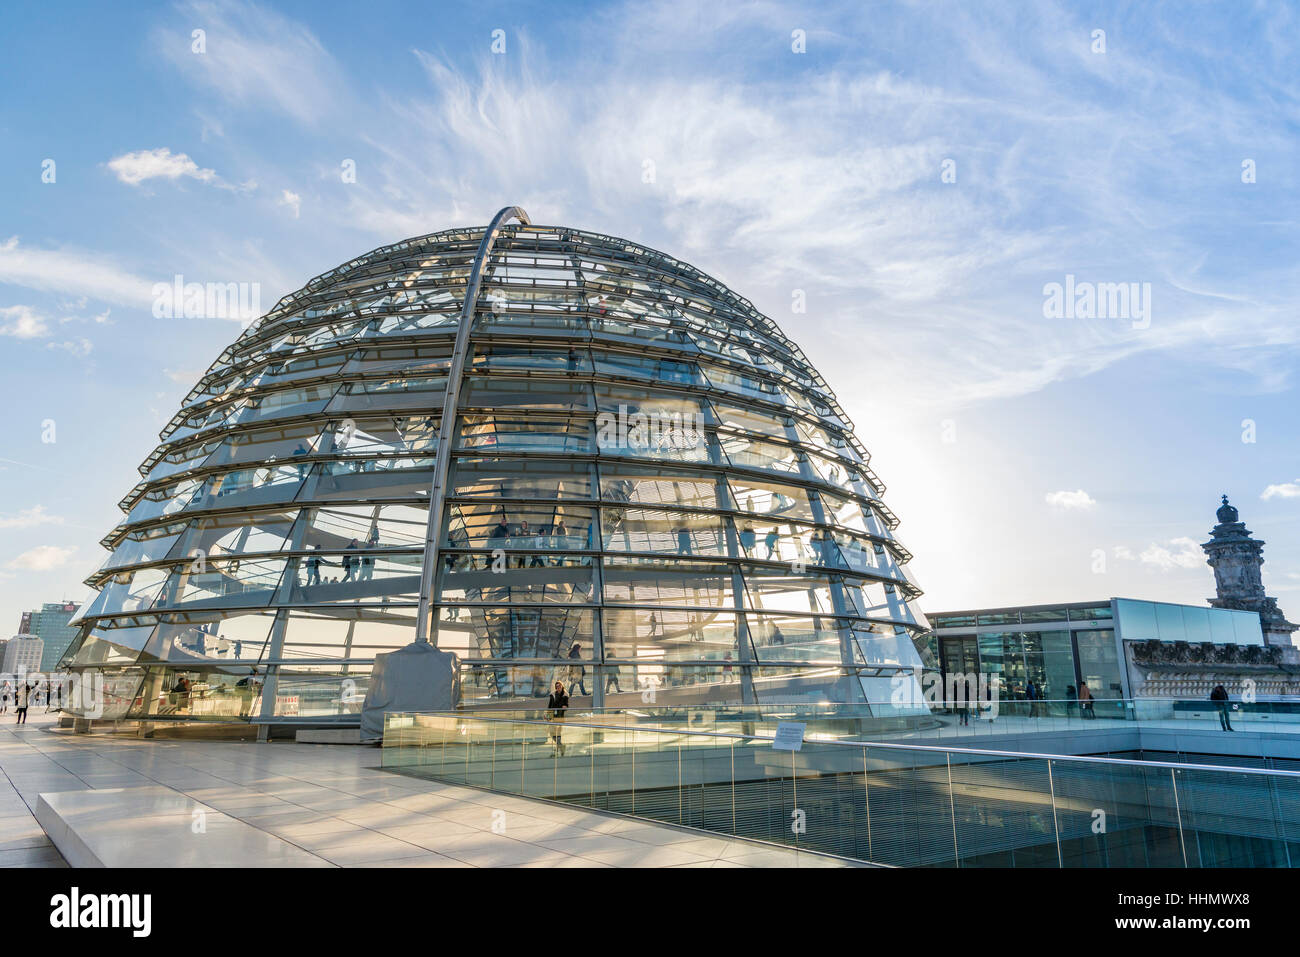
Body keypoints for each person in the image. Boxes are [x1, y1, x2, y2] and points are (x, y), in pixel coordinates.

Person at [546, 680, 570, 755]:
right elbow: (550, 706)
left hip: (559, 716)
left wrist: (565, 706)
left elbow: (566, 705)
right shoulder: (553, 694)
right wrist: (548, 716)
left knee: (558, 733)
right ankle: (561, 746)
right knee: (551, 733)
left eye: (559, 686)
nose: (558, 688)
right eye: (556, 686)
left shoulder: (565, 695)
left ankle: (559, 749)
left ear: (562, 686)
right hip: (553, 716)